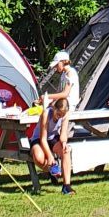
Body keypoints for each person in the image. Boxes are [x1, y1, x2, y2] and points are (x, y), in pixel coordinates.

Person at [41, 48, 81, 195]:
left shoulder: (71, 73)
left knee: (63, 142)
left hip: (68, 107)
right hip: (61, 106)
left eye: (57, 64)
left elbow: (65, 94)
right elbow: (60, 95)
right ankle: (54, 168)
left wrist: (48, 97)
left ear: (63, 62)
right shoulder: (64, 74)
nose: (55, 68)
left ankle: (63, 179)